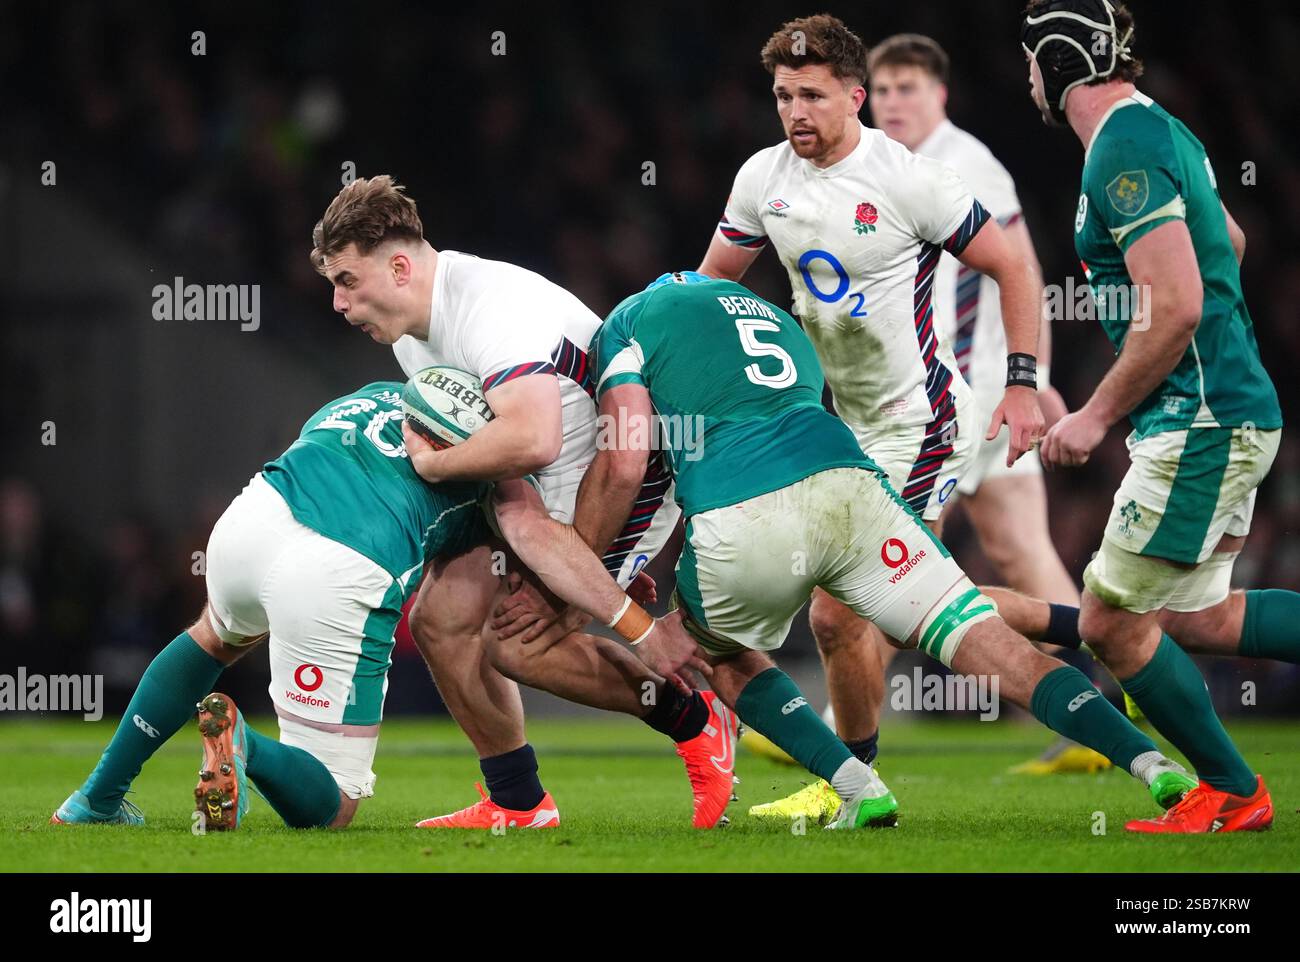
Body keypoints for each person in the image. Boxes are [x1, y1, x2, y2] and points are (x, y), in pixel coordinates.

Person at [517, 270, 1198, 830]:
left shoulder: (628, 324)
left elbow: (626, 462)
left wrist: (583, 571)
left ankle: (855, 782)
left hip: (744, 511)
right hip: (853, 486)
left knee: (713, 651)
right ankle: (1151, 764)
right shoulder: (778, 320)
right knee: (984, 640)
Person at [312, 178, 735, 828]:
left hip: (622, 471)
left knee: (520, 642)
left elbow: (534, 439)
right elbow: (507, 455)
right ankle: (518, 801)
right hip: (543, 486)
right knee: (441, 620)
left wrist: (592, 563)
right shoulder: (409, 334)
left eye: (346, 280)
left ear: (398, 266)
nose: (338, 303)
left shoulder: (489, 308)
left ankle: (698, 719)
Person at [1023, 0, 1294, 832]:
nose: (1026, 76)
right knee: (1191, 616)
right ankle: (1230, 788)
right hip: (1224, 407)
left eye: (1032, 59)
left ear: (1061, 62)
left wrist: (1097, 416)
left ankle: (1235, 791)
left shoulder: (1122, 150)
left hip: (1202, 419)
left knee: (1110, 622)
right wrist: (1216, 336)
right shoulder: (1163, 131)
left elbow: (1173, 305)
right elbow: (1233, 244)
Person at [53, 383, 490, 830]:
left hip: (252, 521)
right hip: (340, 566)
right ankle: (242, 741)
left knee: (213, 634)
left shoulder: (376, 391)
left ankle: (96, 797)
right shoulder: (499, 470)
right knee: (335, 802)